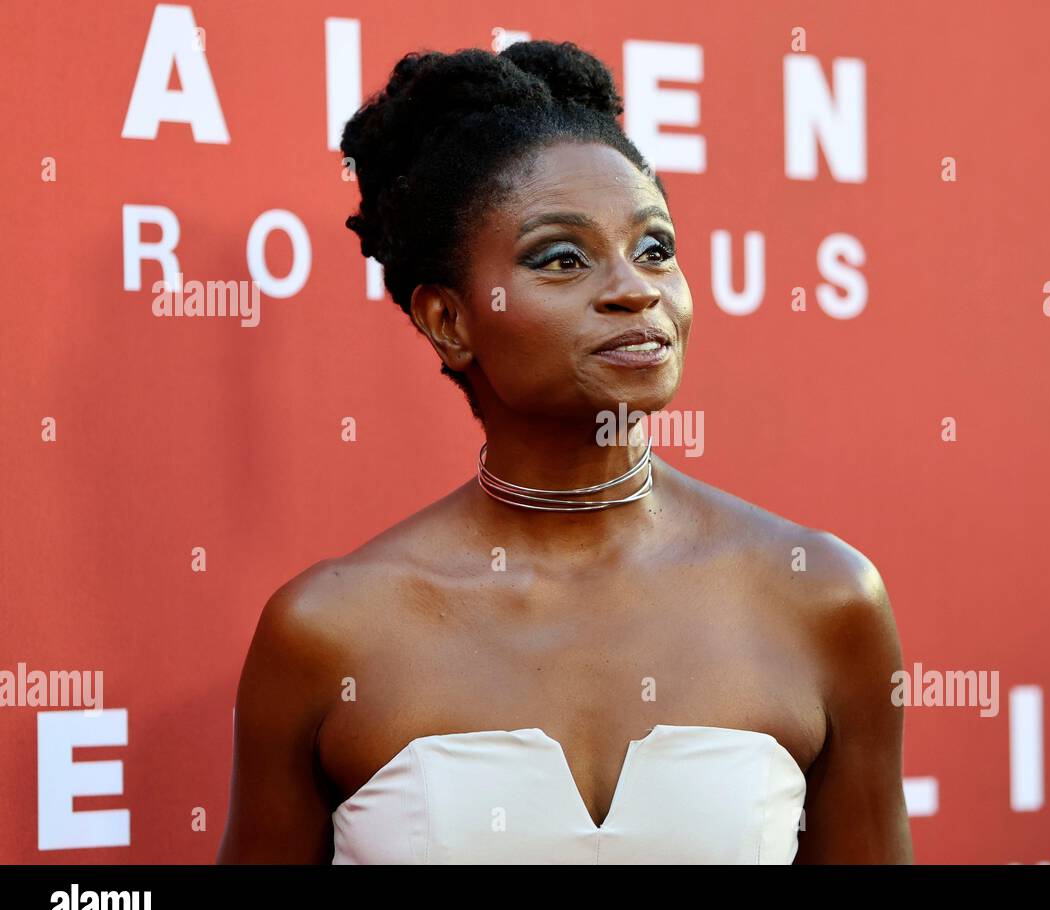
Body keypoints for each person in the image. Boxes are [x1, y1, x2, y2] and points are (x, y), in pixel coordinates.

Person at [216, 39, 912, 864]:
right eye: (562, 259)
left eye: (655, 248)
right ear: (449, 320)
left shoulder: (823, 597)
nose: (635, 289)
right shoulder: (327, 632)